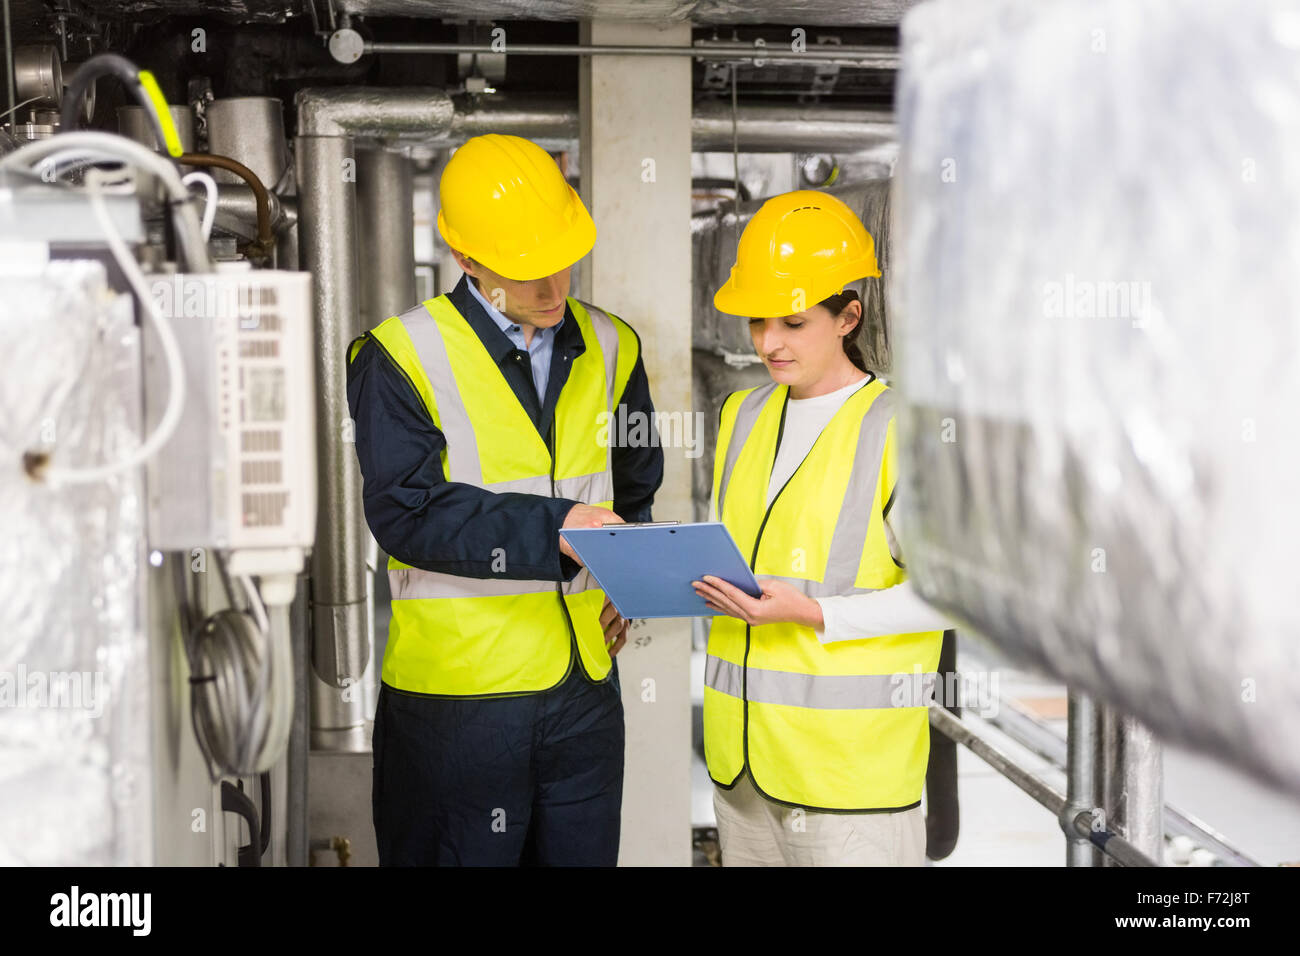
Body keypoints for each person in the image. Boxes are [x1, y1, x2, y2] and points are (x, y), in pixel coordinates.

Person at [346, 134, 664, 866]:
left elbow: (634, 483)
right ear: (466, 260)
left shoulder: (614, 345)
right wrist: (558, 528)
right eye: (526, 272)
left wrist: (631, 570)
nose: (554, 286)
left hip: (585, 691)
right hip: (459, 706)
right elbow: (405, 511)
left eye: (561, 259)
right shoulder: (400, 356)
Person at [692, 189, 952, 866]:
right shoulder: (741, 416)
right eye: (757, 322)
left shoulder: (903, 429)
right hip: (741, 768)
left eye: (793, 322)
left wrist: (810, 612)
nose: (769, 343)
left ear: (849, 316)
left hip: (849, 782)